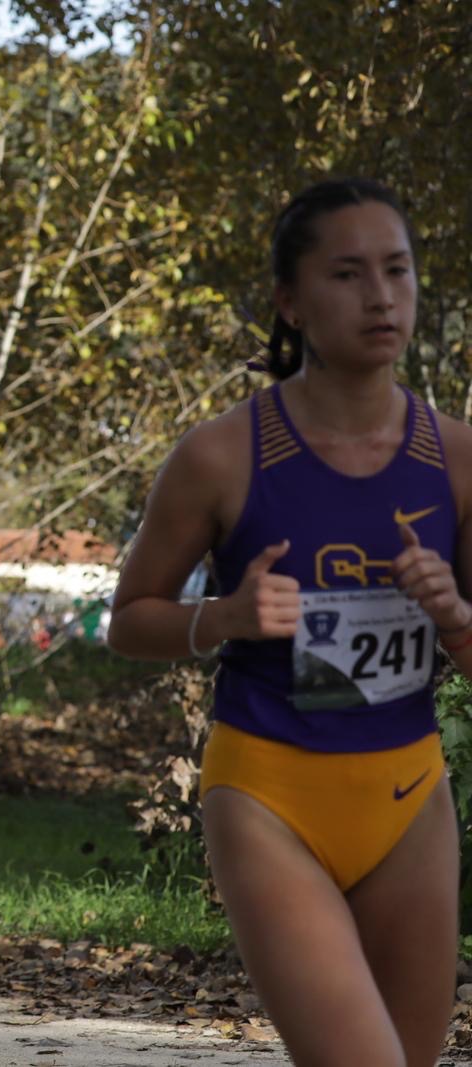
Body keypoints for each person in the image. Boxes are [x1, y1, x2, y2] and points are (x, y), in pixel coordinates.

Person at [107, 178, 461, 1067]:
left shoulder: (456, 458)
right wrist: (222, 617)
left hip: (410, 795)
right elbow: (127, 620)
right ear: (291, 302)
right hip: (267, 792)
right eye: (348, 275)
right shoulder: (221, 454)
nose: (381, 297)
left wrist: (454, 615)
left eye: (398, 270)